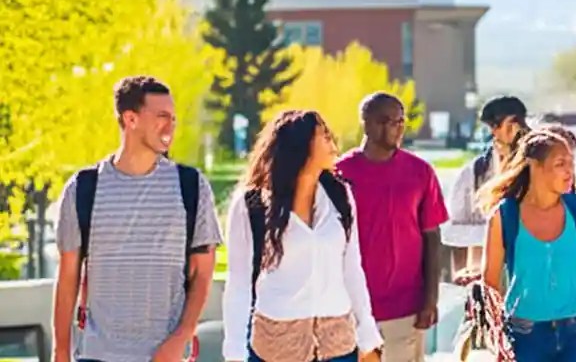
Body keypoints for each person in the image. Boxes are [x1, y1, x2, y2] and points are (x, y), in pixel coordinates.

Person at [52, 75, 221, 362]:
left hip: (165, 356)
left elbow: (202, 274)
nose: (170, 127)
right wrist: (61, 352)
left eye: (174, 118)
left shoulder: (191, 186)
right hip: (98, 354)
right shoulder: (83, 189)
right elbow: (68, 277)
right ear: (130, 119)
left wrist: (180, 338)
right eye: (161, 117)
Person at [222, 110, 383, 362]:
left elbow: (352, 269)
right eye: (324, 136)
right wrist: (234, 352)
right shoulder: (251, 205)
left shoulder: (341, 197)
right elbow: (239, 283)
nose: (333, 142)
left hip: (338, 345)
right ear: (299, 146)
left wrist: (368, 337)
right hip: (276, 346)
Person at [479, 129, 576, 362]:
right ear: (534, 165)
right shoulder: (504, 216)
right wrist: (498, 341)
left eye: (571, 163)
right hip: (524, 336)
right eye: (561, 163)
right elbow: (490, 285)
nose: (570, 171)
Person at [336, 92, 449, 362]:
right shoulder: (339, 174)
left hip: (405, 307)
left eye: (399, 121)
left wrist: (431, 298)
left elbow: (432, 237)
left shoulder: (420, 172)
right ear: (366, 123)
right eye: (385, 121)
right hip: (350, 308)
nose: (394, 128)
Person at [443, 95, 530, 275]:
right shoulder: (475, 173)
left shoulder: (540, 164)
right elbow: (453, 232)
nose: (494, 133)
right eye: (492, 127)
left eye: (497, 125)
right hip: (484, 274)